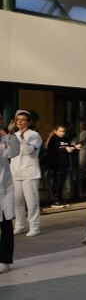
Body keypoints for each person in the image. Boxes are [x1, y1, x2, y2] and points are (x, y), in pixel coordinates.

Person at [9, 110, 42, 237]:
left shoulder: (34, 135)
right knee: (17, 201)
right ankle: (20, 225)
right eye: (18, 119)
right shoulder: (13, 135)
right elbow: (9, 153)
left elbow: (28, 151)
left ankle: (34, 226)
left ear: (28, 122)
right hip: (15, 172)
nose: (20, 122)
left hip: (30, 172)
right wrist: (11, 135)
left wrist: (22, 138)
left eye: (23, 120)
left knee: (32, 202)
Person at [0, 116, 21, 274]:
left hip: (3, 188)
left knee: (6, 224)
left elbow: (13, 152)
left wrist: (11, 133)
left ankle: (5, 260)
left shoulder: (4, 138)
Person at [46, 124, 79, 207]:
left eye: (63, 131)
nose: (62, 133)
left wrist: (74, 147)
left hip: (65, 163)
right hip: (56, 163)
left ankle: (60, 198)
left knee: (62, 181)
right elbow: (53, 150)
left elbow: (68, 147)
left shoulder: (66, 139)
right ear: (55, 131)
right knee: (57, 181)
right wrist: (65, 149)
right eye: (60, 131)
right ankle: (55, 199)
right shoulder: (53, 139)